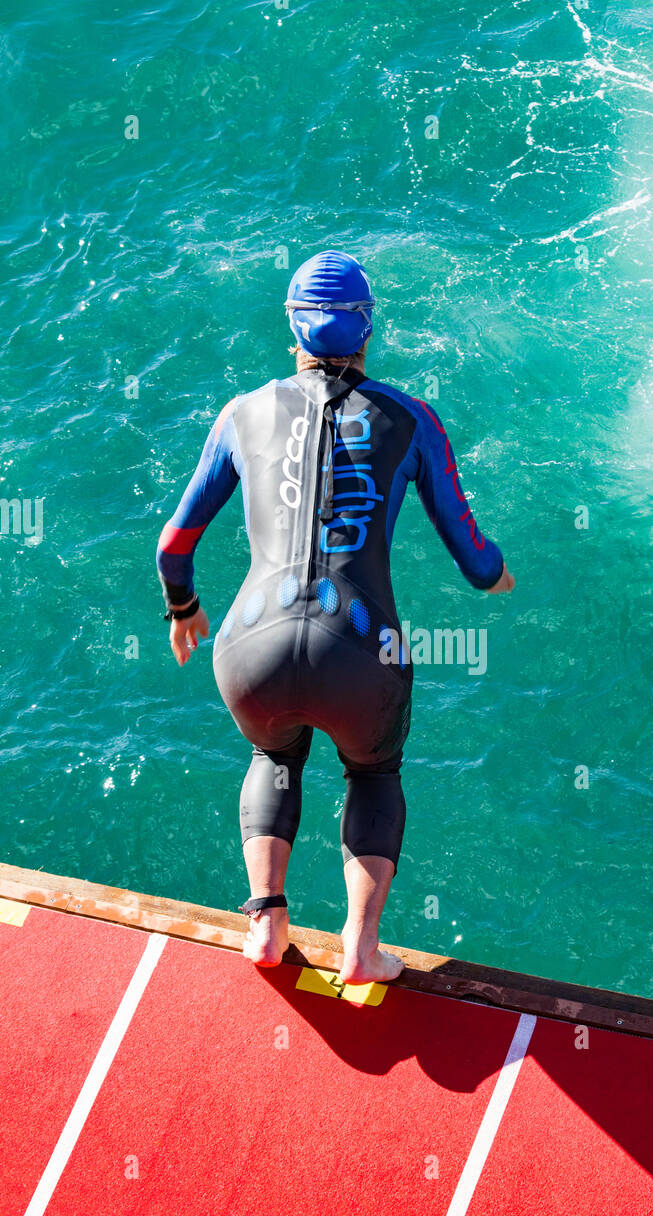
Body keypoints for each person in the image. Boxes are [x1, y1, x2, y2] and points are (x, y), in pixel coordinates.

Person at [156, 250, 514, 981]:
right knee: (373, 776)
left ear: (293, 330)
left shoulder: (240, 412)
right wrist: (496, 572)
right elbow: (473, 560)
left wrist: (184, 607)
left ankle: (265, 922)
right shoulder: (410, 418)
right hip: (360, 657)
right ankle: (360, 945)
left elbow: (174, 543)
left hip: (249, 646)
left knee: (273, 756)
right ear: (367, 332)